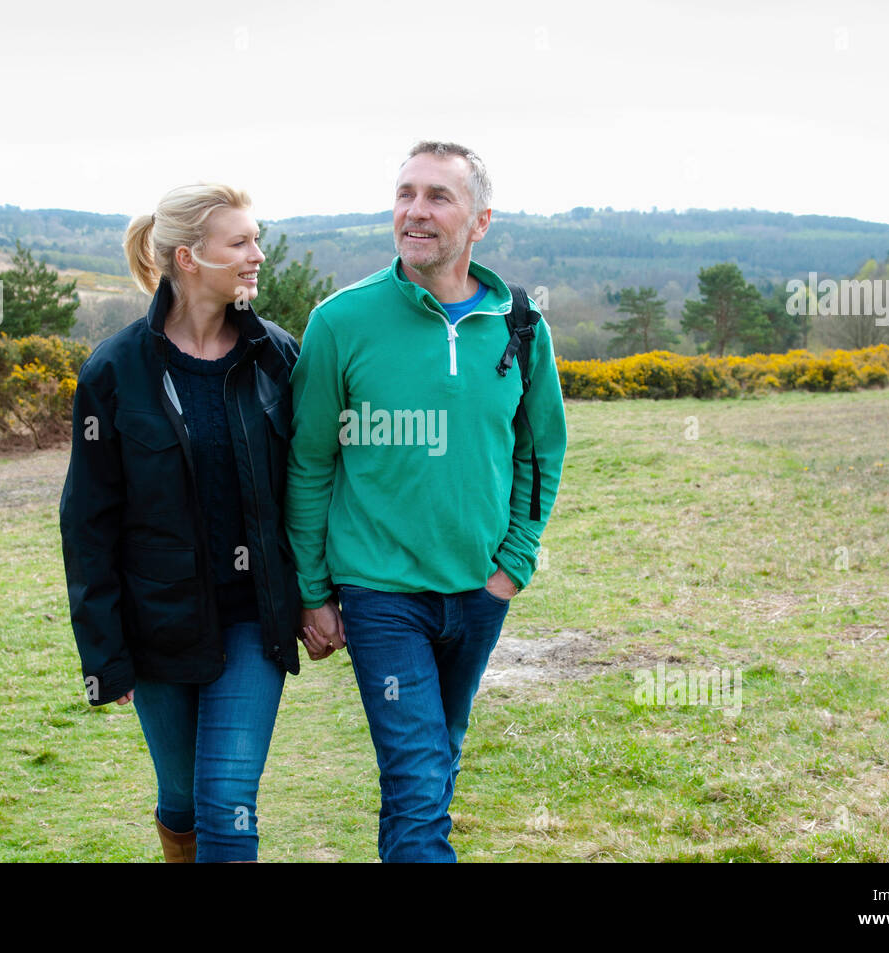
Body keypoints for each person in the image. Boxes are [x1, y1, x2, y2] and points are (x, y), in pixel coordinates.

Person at [286, 141, 568, 862]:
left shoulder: (521, 323)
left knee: (434, 764)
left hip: (479, 591)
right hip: (380, 594)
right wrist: (314, 592)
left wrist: (513, 563)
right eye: (405, 192)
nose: (416, 210)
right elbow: (311, 461)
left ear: (479, 221)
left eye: (439, 196)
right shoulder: (340, 322)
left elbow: (541, 450)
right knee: (418, 780)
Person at [59, 183, 328, 863]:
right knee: (181, 798)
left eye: (256, 238)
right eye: (240, 242)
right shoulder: (116, 370)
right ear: (188, 257)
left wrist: (323, 595)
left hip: (252, 620)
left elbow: (312, 483)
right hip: (158, 626)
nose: (258, 255)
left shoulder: (278, 357)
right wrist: (105, 651)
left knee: (227, 802)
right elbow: (88, 520)